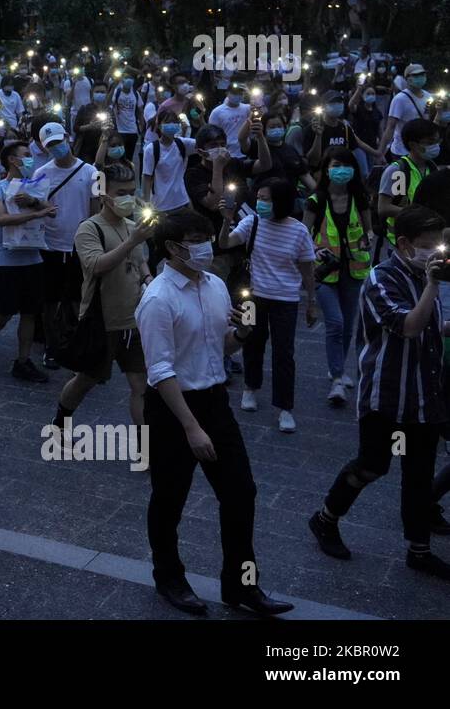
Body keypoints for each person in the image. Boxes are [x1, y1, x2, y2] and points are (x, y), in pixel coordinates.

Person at [136, 210, 294, 617]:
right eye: (196, 239)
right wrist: (191, 428)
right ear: (173, 248)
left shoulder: (216, 286)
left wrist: (240, 334)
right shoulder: (157, 299)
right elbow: (160, 370)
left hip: (215, 403)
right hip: (173, 411)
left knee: (241, 493)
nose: (206, 246)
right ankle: (169, 577)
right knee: (170, 498)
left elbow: (218, 348)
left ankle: (242, 585)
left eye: (207, 237)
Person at [308, 206, 450, 581]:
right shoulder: (380, 279)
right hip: (386, 397)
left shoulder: (423, 273)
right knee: (373, 466)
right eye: (426, 245)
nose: (435, 251)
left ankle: (418, 550)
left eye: (438, 243)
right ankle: (325, 519)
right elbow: (409, 325)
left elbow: (432, 325)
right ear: (403, 244)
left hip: (424, 394)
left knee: (418, 475)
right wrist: (435, 286)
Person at [52, 163, 154, 432]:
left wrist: (147, 278)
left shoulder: (132, 225)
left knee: (140, 385)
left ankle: (147, 448)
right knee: (86, 380)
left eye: (132, 192)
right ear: (103, 195)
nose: (128, 199)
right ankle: (62, 420)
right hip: (101, 321)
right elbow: (96, 265)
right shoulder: (89, 228)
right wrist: (132, 241)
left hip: (133, 321)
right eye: (122, 192)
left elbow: (139, 260)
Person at [219, 177, 318, 431]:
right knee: (252, 342)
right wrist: (226, 219)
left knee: (284, 352)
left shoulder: (298, 231)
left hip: (285, 299)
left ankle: (285, 407)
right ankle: (250, 388)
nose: (260, 203)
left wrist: (311, 302)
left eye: (265, 199)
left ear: (281, 201)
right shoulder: (251, 223)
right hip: (253, 295)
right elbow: (225, 243)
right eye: (259, 198)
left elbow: (308, 270)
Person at [0, 139, 54, 382]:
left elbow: (51, 209)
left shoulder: (35, 187)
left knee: (30, 312)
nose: (31, 159)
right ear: (12, 160)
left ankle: (22, 361)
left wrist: (33, 203)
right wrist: (36, 213)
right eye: (26, 155)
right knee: (4, 312)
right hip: (7, 260)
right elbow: (1, 218)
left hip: (33, 257)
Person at [302, 149, 373, 405]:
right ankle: (337, 380)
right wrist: (315, 249)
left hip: (353, 270)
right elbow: (303, 235)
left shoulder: (360, 198)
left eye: (346, 165)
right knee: (335, 322)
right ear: (326, 169)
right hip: (324, 273)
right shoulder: (316, 200)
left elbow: (368, 231)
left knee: (348, 323)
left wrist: (367, 239)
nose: (341, 169)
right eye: (336, 165)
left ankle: (337, 368)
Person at [32, 122, 97, 370]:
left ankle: (76, 342)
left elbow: (95, 208)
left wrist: (94, 241)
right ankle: (51, 346)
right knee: (50, 301)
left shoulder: (91, 172)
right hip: (50, 246)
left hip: (80, 246)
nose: (57, 147)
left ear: (67, 138)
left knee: (79, 298)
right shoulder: (41, 173)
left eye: (59, 142)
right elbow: (36, 206)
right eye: (51, 145)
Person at [378, 117, 439, 258]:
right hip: (402, 244)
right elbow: (384, 208)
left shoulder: (432, 168)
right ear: (413, 144)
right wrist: (418, 214)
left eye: (437, 142)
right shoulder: (399, 172)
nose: (435, 146)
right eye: (430, 143)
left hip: (428, 241)